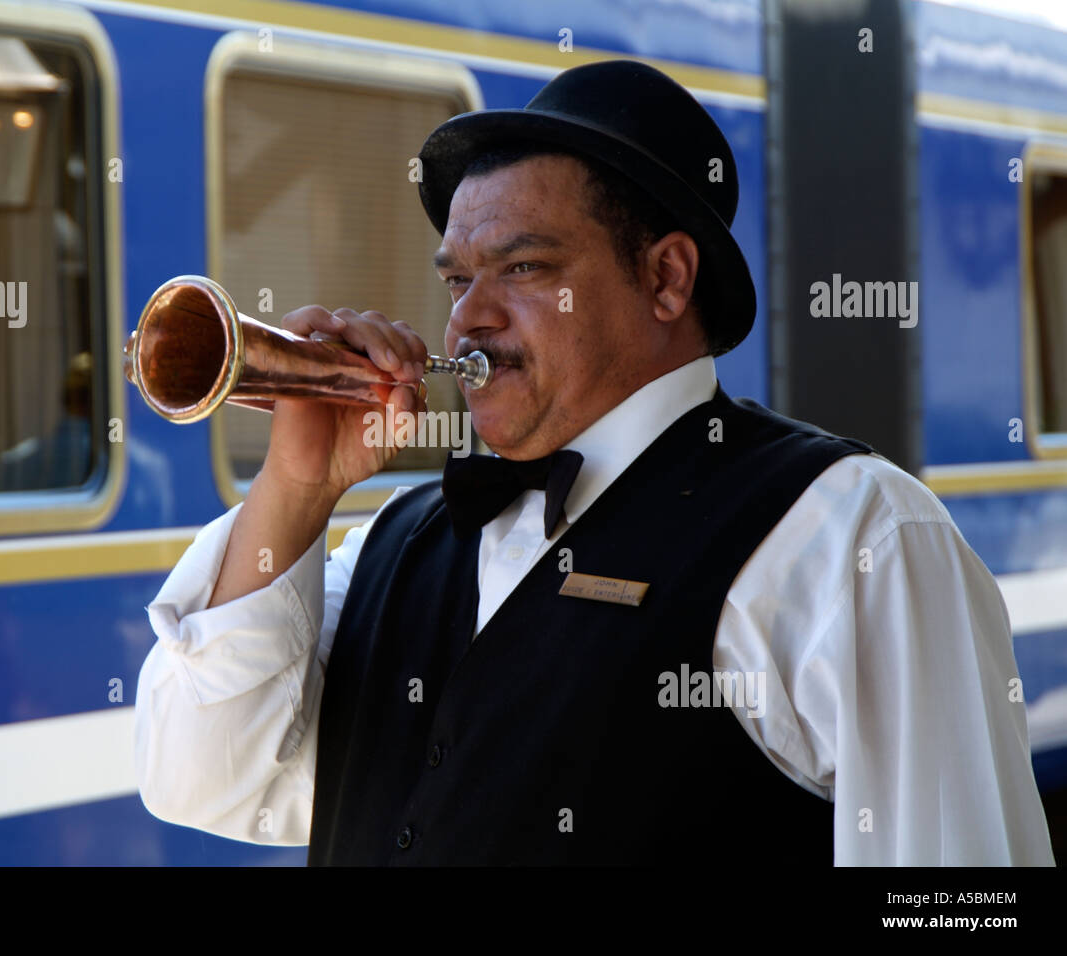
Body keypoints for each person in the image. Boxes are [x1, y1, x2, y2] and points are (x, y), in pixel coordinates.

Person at [133, 60, 1055, 865]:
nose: (467, 319)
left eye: (524, 269)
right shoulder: (389, 549)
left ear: (665, 278)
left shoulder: (859, 538)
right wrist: (296, 487)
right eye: (458, 278)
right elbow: (199, 780)